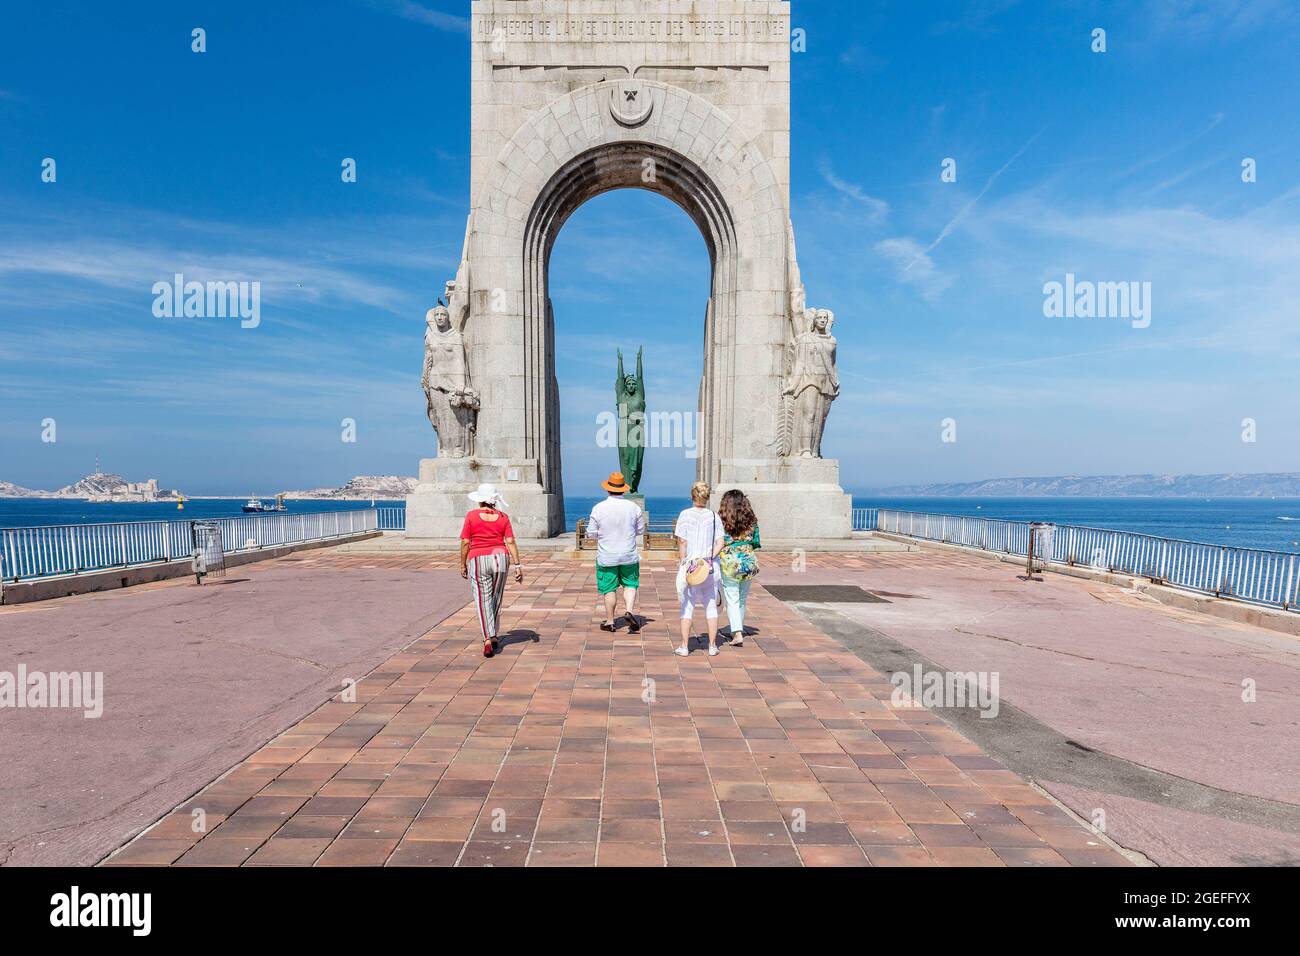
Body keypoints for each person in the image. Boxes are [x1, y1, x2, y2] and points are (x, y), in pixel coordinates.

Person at [459, 483, 523, 658]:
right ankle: (493, 634)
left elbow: (465, 542)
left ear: (480, 500)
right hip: (500, 558)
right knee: (496, 597)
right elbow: (510, 541)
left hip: (478, 558)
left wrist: (463, 564)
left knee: (483, 599)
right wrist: (518, 565)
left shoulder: (471, 516)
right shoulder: (503, 517)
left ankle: (488, 638)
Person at [585, 471, 647, 633]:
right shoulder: (634, 507)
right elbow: (641, 530)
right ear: (623, 489)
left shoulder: (598, 508)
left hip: (607, 556)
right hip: (629, 554)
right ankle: (629, 611)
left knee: (609, 588)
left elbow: (591, 533)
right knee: (630, 584)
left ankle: (611, 621)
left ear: (608, 489)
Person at [673, 481, 725, 657]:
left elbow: (682, 542)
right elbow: (720, 542)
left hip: (691, 566)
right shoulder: (714, 516)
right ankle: (712, 646)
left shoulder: (685, 514)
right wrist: (709, 557)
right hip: (710, 567)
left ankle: (684, 646)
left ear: (692, 496)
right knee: (711, 607)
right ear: (707, 497)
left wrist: (683, 562)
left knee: (687, 607)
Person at [718, 489, 761, 647]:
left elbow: (718, 541)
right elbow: (755, 541)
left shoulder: (722, 520)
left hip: (729, 563)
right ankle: (737, 628)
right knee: (742, 598)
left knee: (732, 598)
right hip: (748, 561)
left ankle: (736, 633)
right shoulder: (751, 519)